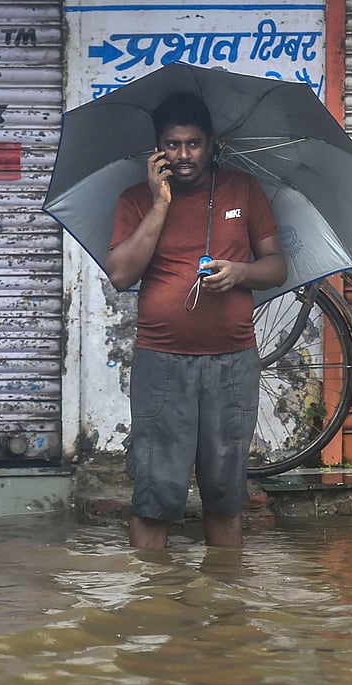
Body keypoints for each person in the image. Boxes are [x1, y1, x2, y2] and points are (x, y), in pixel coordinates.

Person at [105, 91, 287, 549]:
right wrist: (160, 203)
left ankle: (225, 607)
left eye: (193, 144)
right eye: (172, 144)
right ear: (157, 149)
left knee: (225, 496)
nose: (183, 155)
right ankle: (152, 607)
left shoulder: (242, 190)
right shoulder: (135, 200)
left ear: (211, 144)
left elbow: (277, 267)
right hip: (162, 364)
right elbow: (122, 274)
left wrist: (241, 272)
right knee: (155, 494)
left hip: (233, 364)